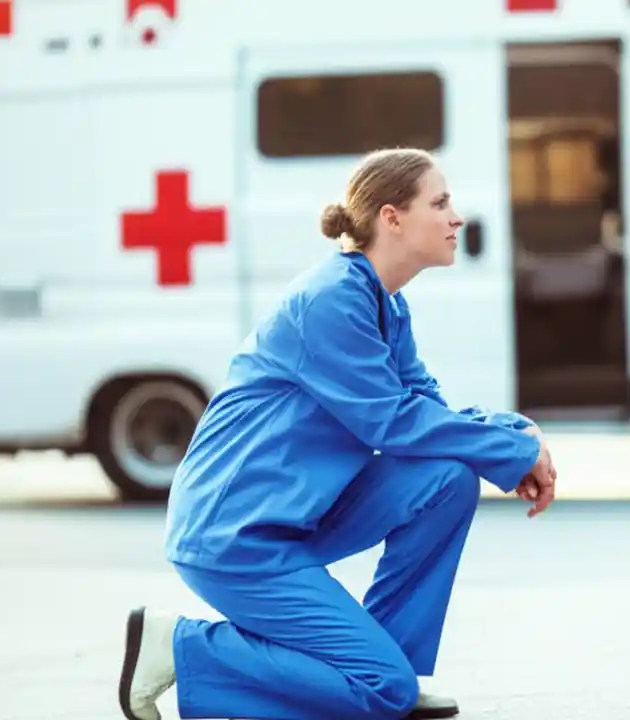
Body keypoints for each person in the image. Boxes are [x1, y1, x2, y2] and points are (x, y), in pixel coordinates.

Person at [117, 148, 559, 720]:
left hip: (295, 513)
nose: (458, 218)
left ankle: (387, 660)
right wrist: (519, 446)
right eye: (441, 202)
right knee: (380, 691)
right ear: (391, 217)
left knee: (447, 478)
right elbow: (390, 422)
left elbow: (423, 410)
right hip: (235, 536)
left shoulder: (384, 304)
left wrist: (513, 435)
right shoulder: (331, 300)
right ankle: (181, 648)